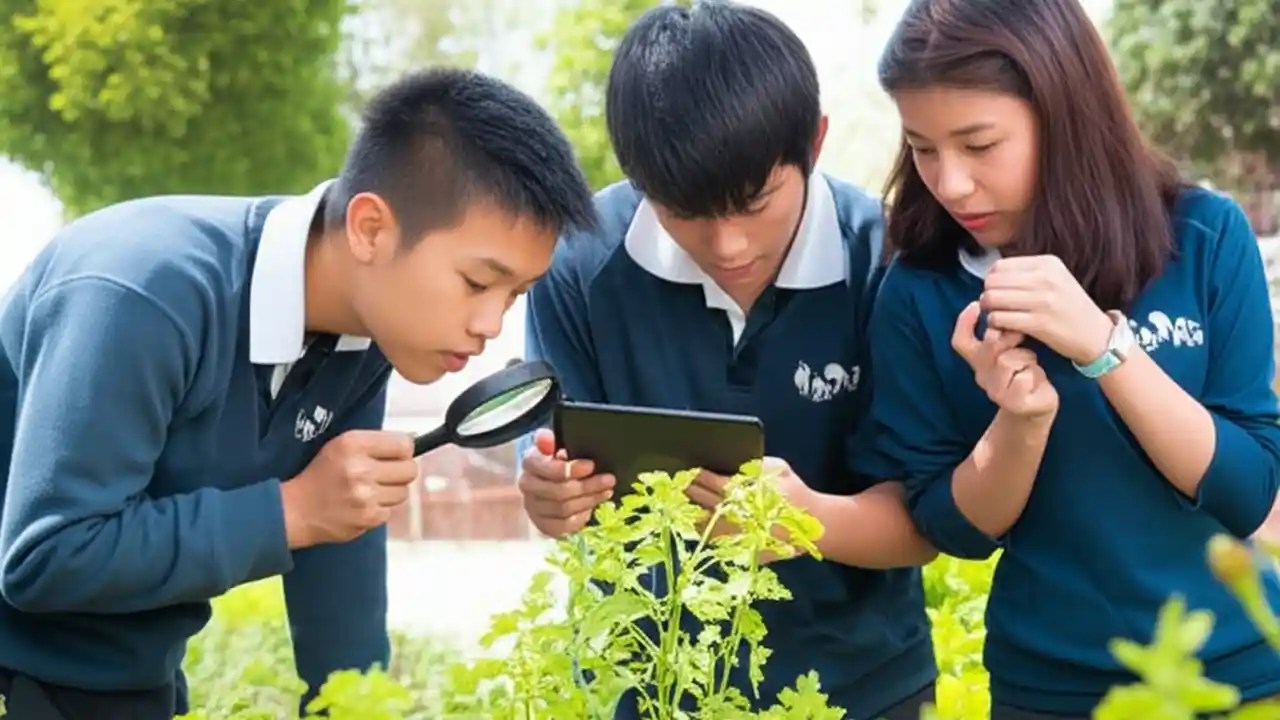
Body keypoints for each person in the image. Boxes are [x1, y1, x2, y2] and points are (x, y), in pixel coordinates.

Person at [0, 67, 595, 720]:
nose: (491, 324)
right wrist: (291, 512)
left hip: (121, 677)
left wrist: (359, 705)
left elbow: (338, 558)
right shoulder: (144, 291)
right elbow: (46, 555)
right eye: (478, 282)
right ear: (370, 228)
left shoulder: (363, 339)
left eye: (515, 295)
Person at [852, 0, 1280, 717]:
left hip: (1239, 674)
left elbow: (1249, 489)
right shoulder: (922, 290)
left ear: (1065, 114)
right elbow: (951, 530)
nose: (950, 182)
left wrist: (1105, 349)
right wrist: (1017, 423)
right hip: (1049, 687)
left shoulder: (1201, 235)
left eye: (979, 145)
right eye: (923, 148)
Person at [516, 3, 939, 719]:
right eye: (684, 210)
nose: (729, 245)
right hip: (646, 687)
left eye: (755, 202)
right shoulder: (578, 267)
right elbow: (552, 456)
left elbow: (933, 523)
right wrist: (550, 496)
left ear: (815, 142)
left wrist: (810, 519)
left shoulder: (889, 261)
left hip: (864, 690)